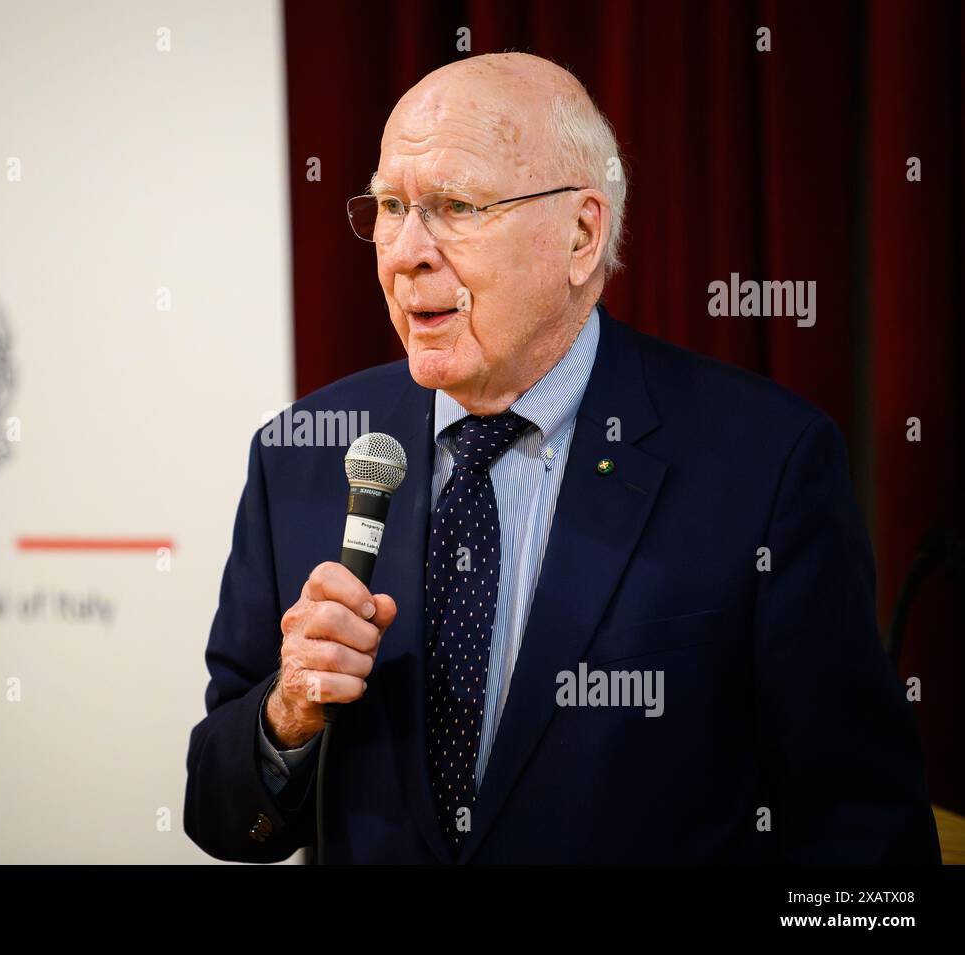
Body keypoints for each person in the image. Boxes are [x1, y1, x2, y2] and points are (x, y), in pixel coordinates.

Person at [184, 53, 939, 863]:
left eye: (454, 206)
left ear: (581, 234)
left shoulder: (765, 464)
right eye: (392, 206)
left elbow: (865, 834)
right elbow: (222, 817)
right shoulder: (304, 451)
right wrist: (286, 716)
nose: (405, 252)